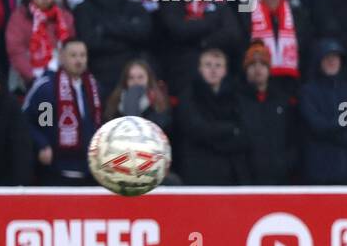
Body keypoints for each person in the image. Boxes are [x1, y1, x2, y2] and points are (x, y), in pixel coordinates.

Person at [22, 39, 101, 186]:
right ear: (61, 57)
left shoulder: (92, 87)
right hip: (57, 171)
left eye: (82, 55)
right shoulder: (48, 88)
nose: (79, 60)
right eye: (73, 55)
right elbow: (35, 123)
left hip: (89, 171)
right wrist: (42, 144)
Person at [298, 39, 347, 185]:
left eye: (336, 57)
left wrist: (330, 131)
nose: (332, 61)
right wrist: (345, 125)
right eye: (327, 57)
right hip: (318, 176)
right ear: (319, 61)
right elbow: (316, 128)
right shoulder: (308, 92)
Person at [174, 47, 249, 185]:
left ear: (225, 70)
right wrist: (229, 130)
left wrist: (212, 132)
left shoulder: (236, 97)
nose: (213, 70)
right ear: (200, 68)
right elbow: (196, 130)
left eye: (218, 65)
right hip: (197, 171)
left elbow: (244, 134)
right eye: (208, 65)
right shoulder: (188, 96)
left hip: (229, 174)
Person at [237, 41, 299, 185]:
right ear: (246, 70)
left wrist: (287, 164)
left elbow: (292, 137)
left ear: (269, 69)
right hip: (247, 180)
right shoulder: (236, 101)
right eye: (252, 64)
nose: (257, 69)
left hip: (280, 178)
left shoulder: (282, 101)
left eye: (262, 64)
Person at [5, 0, 74, 90]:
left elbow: (71, 45)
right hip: (29, 75)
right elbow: (16, 50)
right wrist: (33, 76)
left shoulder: (65, 17)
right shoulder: (19, 17)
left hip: (62, 74)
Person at [104, 58, 171, 134]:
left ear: (148, 79)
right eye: (131, 78)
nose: (136, 82)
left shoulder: (159, 103)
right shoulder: (114, 103)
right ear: (125, 81)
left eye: (140, 77)